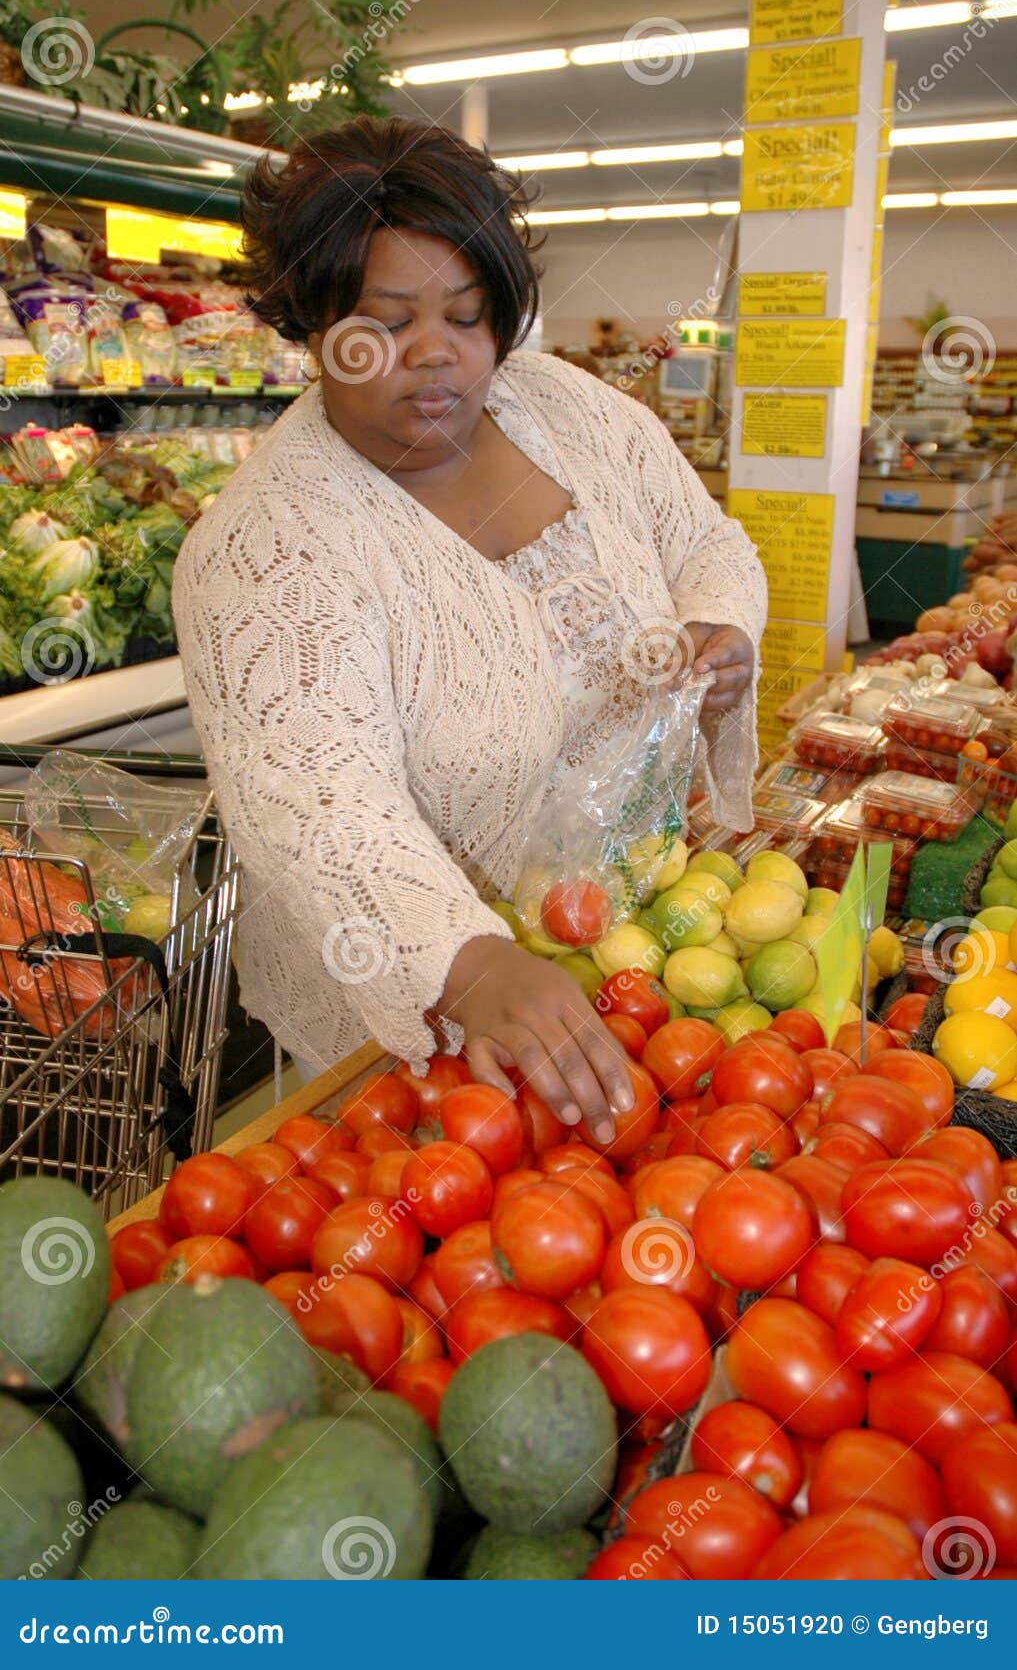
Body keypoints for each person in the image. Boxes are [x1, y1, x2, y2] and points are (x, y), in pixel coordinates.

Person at [173, 116, 767, 1145]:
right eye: (389, 322)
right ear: (313, 321)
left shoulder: (573, 413)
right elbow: (319, 805)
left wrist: (717, 626)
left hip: (633, 939)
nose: (437, 355)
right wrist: (473, 962)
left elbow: (702, 538)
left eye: (467, 313)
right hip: (412, 1019)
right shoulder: (268, 547)